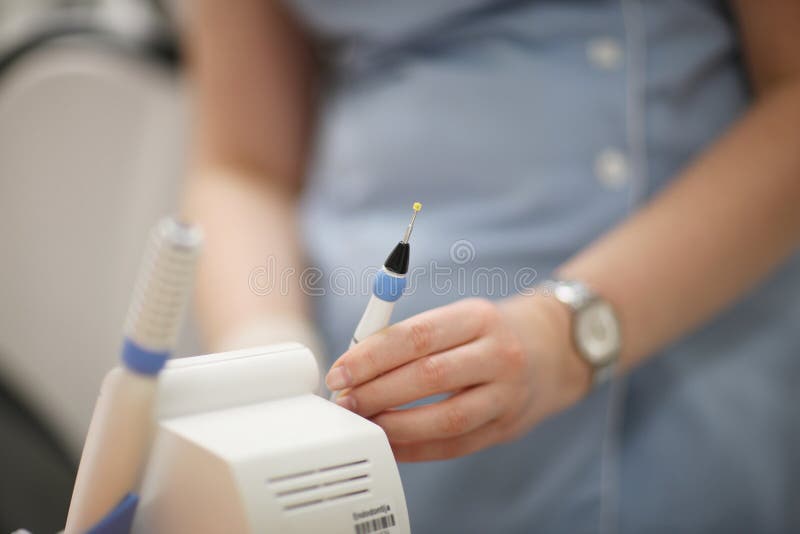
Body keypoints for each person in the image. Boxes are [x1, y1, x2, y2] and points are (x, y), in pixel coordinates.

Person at [183, 1, 800, 532]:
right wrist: (270, 360)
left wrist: (568, 335)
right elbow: (243, 165)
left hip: (673, 354)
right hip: (368, 449)